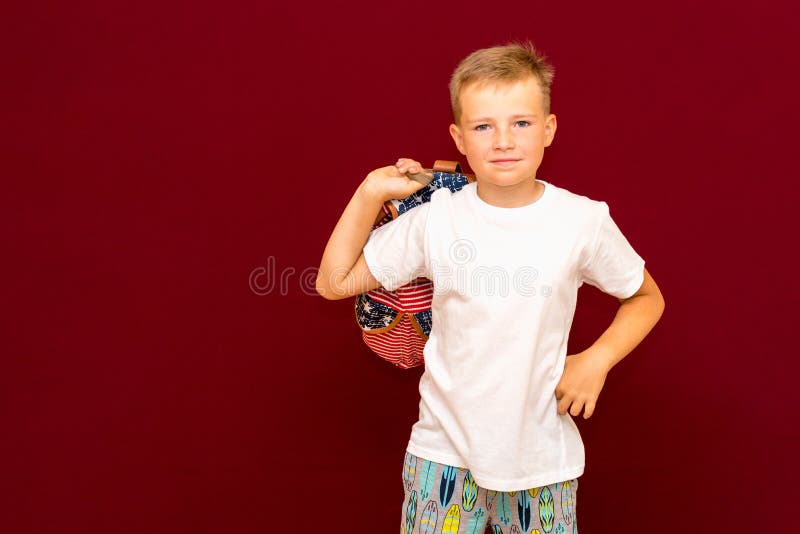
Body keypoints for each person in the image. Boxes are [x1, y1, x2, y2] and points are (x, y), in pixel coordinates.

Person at [315, 41, 665, 534]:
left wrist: (597, 359)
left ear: (549, 129)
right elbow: (334, 283)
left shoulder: (582, 220)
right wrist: (370, 192)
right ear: (459, 138)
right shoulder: (436, 219)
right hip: (441, 456)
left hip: (542, 464)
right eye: (484, 126)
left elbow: (647, 298)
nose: (503, 140)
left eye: (521, 123)